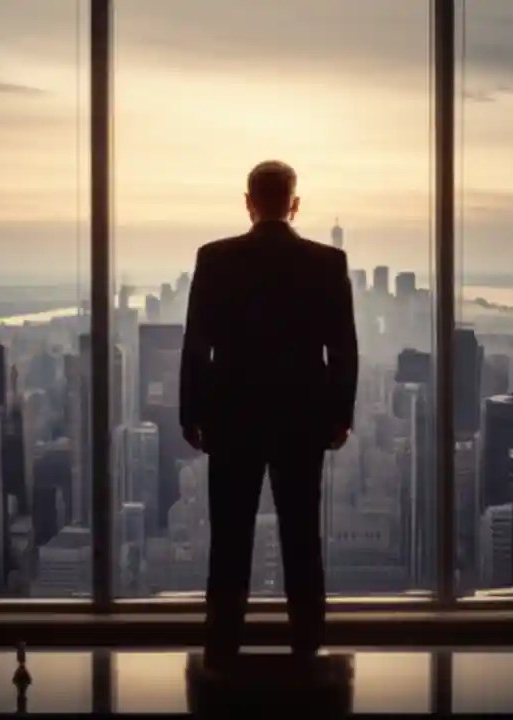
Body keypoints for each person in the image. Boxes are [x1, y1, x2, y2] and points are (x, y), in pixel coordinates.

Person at [180, 160, 358, 669]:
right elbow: (343, 348)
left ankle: (222, 646)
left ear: (248, 202)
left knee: (229, 536)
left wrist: (190, 414)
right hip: (301, 417)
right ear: (294, 204)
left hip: (232, 417)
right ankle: (307, 645)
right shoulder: (327, 262)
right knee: (301, 535)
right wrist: (339, 414)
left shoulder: (214, 259)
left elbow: (196, 346)